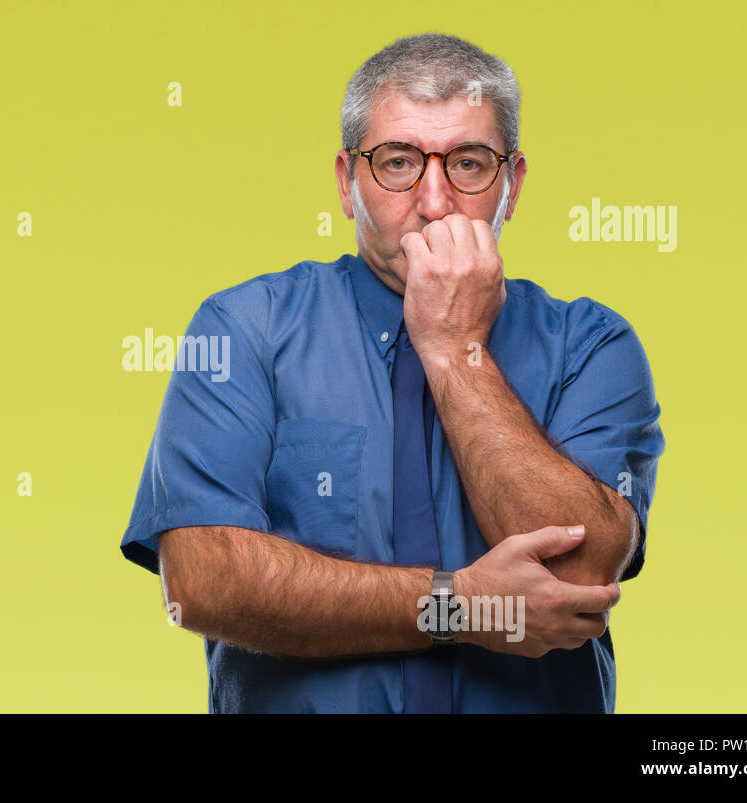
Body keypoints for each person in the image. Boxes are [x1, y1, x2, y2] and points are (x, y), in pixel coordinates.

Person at [119, 32, 665, 713]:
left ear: (513, 184)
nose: (435, 201)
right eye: (398, 162)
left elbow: (577, 574)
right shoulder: (244, 328)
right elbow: (200, 581)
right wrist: (456, 607)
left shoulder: (593, 345)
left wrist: (453, 346)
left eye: (468, 163)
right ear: (348, 184)